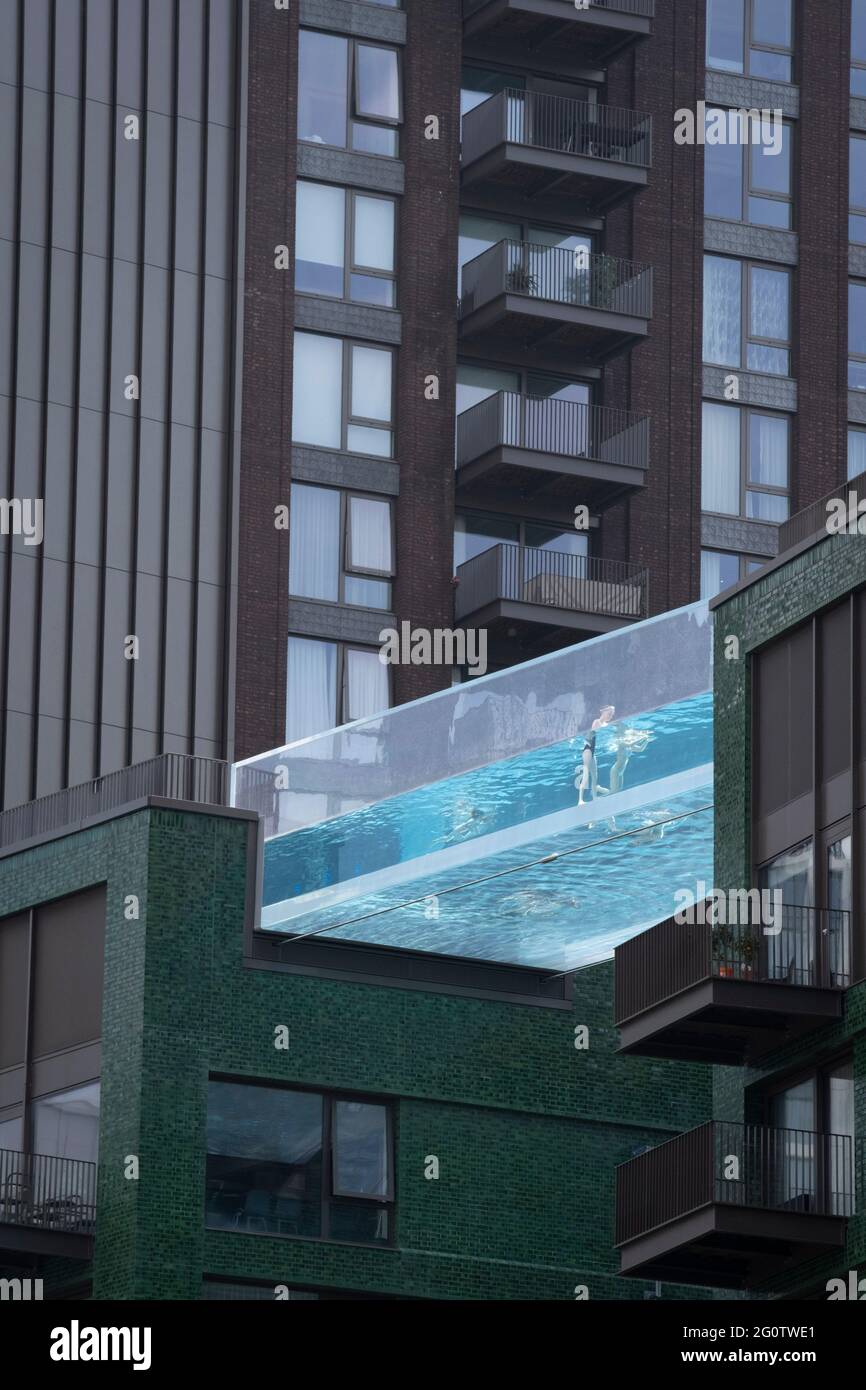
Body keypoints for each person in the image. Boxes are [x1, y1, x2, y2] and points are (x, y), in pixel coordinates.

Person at [576, 705, 615, 805]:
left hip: (593, 753)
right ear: (603, 712)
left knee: (594, 777)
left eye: (612, 715)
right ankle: (580, 800)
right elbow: (591, 734)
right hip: (587, 750)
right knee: (585, 776)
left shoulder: (605, 724)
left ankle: (594, 797)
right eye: (609, 714)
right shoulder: (596, 722)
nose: (610, 716)